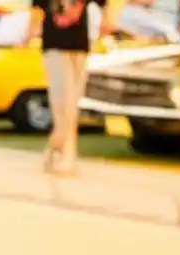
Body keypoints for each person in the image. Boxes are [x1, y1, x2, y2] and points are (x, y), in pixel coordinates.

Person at [29, 0, 124, 175]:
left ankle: (59, 148)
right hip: (55, 45)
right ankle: (66, 153)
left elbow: (106, 4)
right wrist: (30, 33)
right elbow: (37, 10)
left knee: (71, 101)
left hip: (78, 46)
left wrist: (107, 21)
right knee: (62, 101)